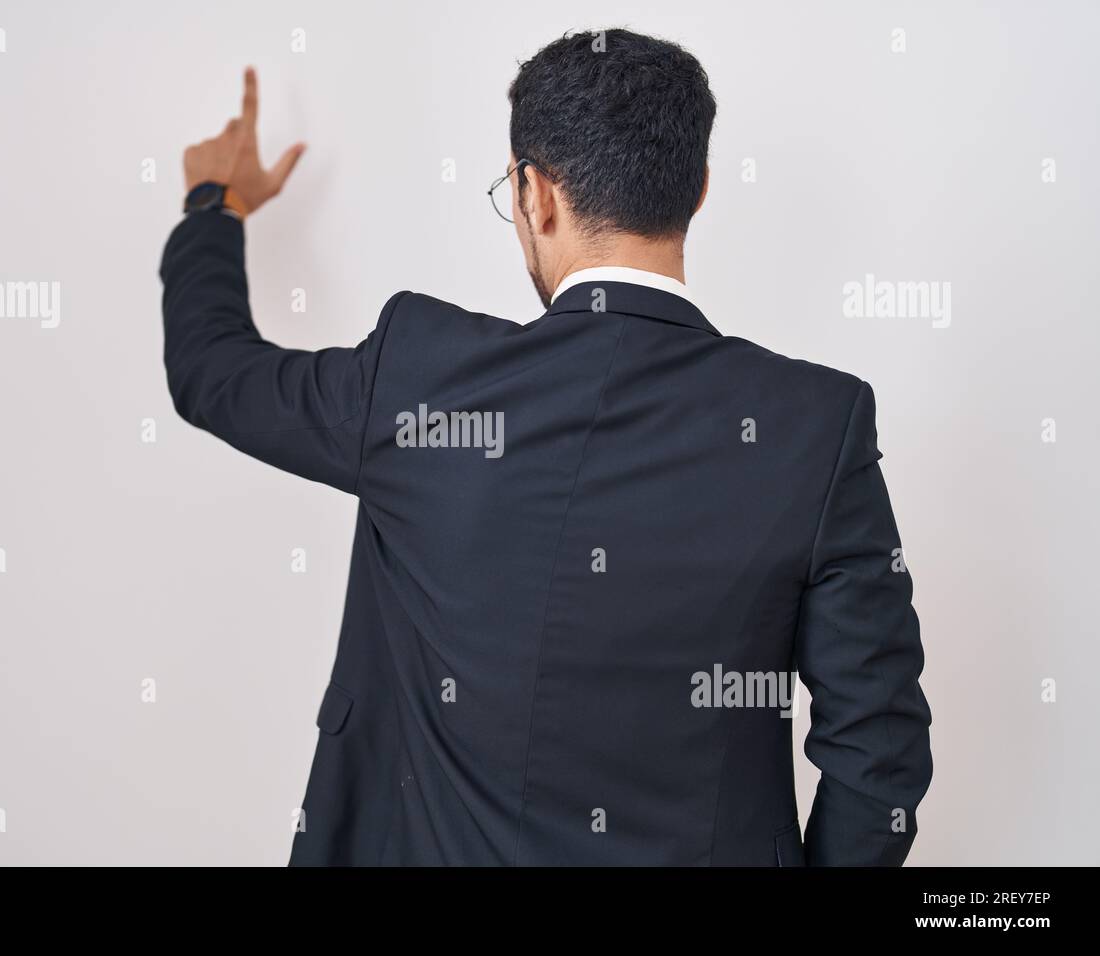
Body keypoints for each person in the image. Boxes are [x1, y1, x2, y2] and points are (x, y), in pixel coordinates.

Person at [160, 28, 933, 866]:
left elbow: (215, 374)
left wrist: (215, 203)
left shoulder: (419, 377)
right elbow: (877, 752)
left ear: (536, 196)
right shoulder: (815, 425)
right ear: (700, 190)